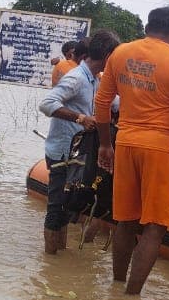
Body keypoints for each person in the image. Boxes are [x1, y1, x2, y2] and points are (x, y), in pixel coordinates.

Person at [94, 7, 169, 295]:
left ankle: (117, 285)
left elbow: (102, 102)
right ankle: (131, 297)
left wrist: (105, 143)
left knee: (125, 220)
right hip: (161, 147)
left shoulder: (120, 53)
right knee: (155, 226)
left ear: (147, 26)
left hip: (126, 143)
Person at [38, 31, 120, 254]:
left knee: (67, 206)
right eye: (115, 56)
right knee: (56, 207)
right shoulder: (76, 78)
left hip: (78, 155)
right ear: (106, 55)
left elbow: (116, 104)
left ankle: (59, 257)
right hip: (62, 151)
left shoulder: (96, 79)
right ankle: (51, 264)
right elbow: (46, 104)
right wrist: (80, 118)